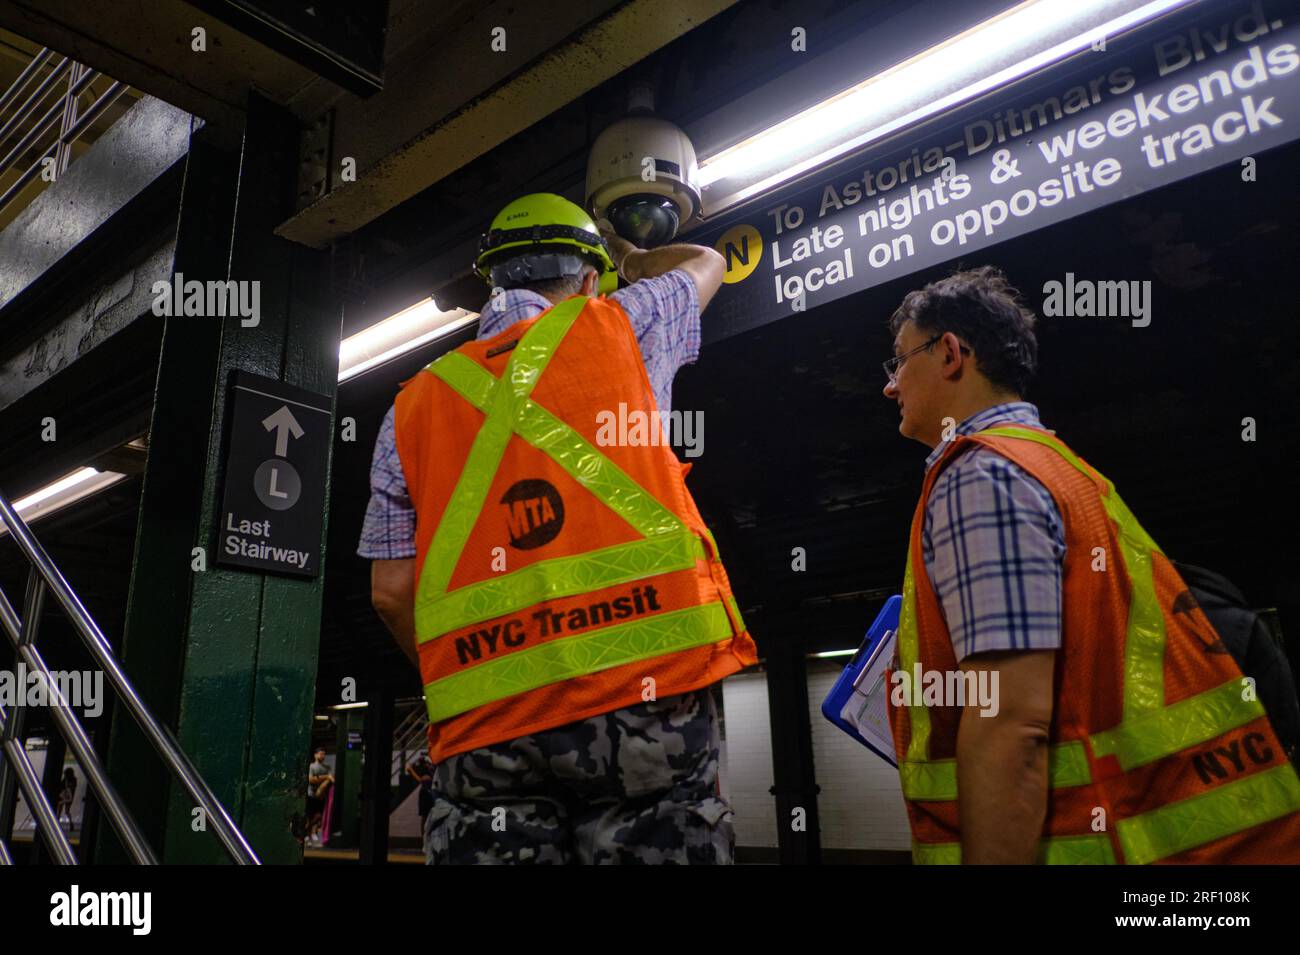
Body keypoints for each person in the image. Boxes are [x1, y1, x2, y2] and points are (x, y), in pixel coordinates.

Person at [360, 193, 757, 864]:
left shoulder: (410, 407)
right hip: (645, 699)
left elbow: (391, 592)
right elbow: (708, 260)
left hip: (489, 727)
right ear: (589, 281)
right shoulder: (624, 323)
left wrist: (479, 669)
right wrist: (633, 256)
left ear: (493, 281)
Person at [881, 265, 1300, 864]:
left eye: (900, 360)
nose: (891, 386)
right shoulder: (1062, 469)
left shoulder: (982, 475)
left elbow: (1009, 722)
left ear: (952, 353)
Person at [306, 748, 333, 846]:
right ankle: (307, 836)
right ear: (315, 755)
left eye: (324, 754)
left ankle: (313, 833)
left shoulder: (327, 767)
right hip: (311, 795)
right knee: (309, 818)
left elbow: (332, 779)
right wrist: (325, 777)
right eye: (321, 754)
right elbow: (310, 779)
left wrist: (323, 783)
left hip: (321, 797)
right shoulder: (312, 766)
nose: (322, 756)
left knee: (319, 817)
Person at [406, 754, 435, 831]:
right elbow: (409, 769)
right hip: (426, 792)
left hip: (431, 791)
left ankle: (428, 834)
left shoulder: (430, 764)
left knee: (430, 815)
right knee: (425, 816)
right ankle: (424, 836)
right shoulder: (423, 765)